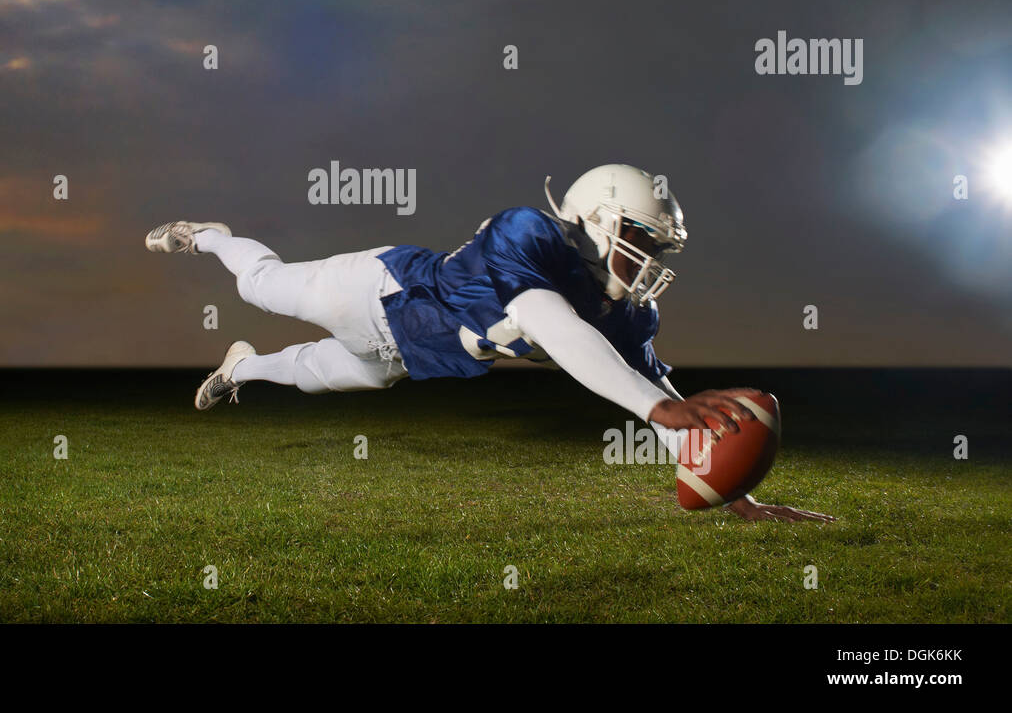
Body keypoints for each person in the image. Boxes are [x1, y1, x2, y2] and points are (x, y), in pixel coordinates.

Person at [146, 163, 833, 522]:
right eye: (643, 241)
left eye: (658, 247)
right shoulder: (528, 234)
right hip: (375, 291)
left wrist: (730, 488)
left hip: (410, 357)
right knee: (260, 287)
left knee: (315, 374)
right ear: (598, 222)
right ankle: (205, 234)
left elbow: (662, 398)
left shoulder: (628, 317)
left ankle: (244, 366)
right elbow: (545, 319)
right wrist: (655, 411)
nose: (649, 260)